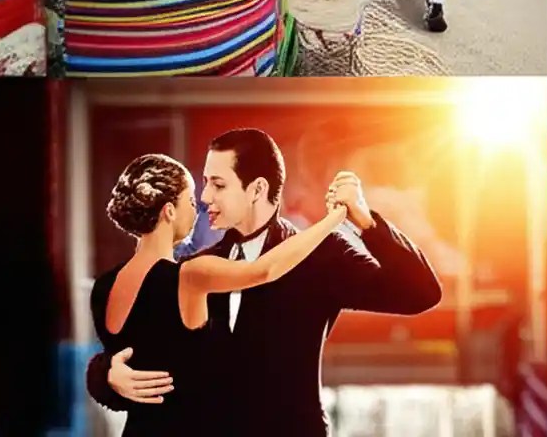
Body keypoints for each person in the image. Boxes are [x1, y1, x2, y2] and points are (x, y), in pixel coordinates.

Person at [85, 128, 442, 436]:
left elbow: (420, 292)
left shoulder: (321, 256)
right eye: (205, 184)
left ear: (256, 189)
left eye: (218, 185)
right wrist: (106, 376)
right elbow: (153, 352)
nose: (206, 198)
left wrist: (365, 221)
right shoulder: (197, 268)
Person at [90, 154, 352, 434]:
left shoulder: (103, 287)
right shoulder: (190, 276)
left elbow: (121, 358)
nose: (198, 209)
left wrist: (106, 375)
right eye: (191, 201)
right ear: (169, 211)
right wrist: (334, 219)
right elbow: (265, 269)